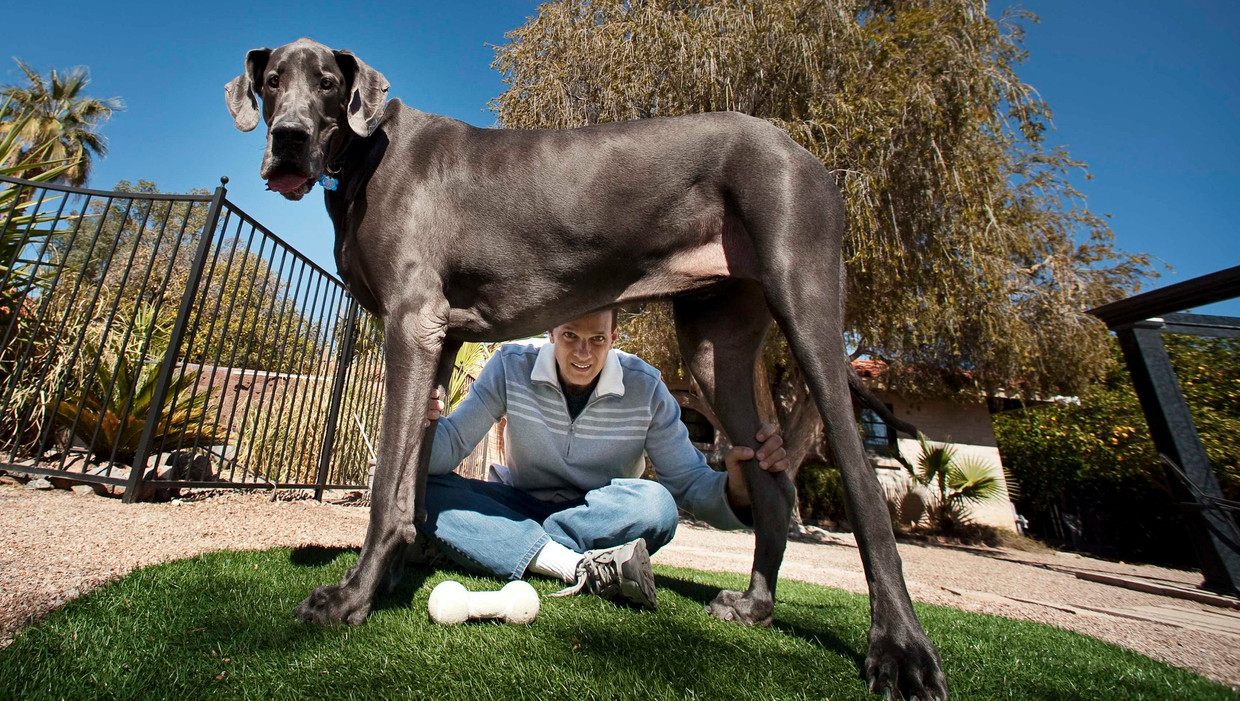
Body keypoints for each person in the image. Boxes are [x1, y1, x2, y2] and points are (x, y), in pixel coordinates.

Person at [418, 308, 788, 610]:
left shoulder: (647, 389)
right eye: (570, 337)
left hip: (598, 516)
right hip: (520, 503)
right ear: (550, 330)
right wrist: (418, 426)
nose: (584, 353)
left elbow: (690, 484)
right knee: (422, 487)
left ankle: (494, 543)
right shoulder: (509, 366)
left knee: (657, 506)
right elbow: (451, 445)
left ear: (614, 337)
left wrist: (735, 489)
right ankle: (574, 565)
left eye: (597, 339)